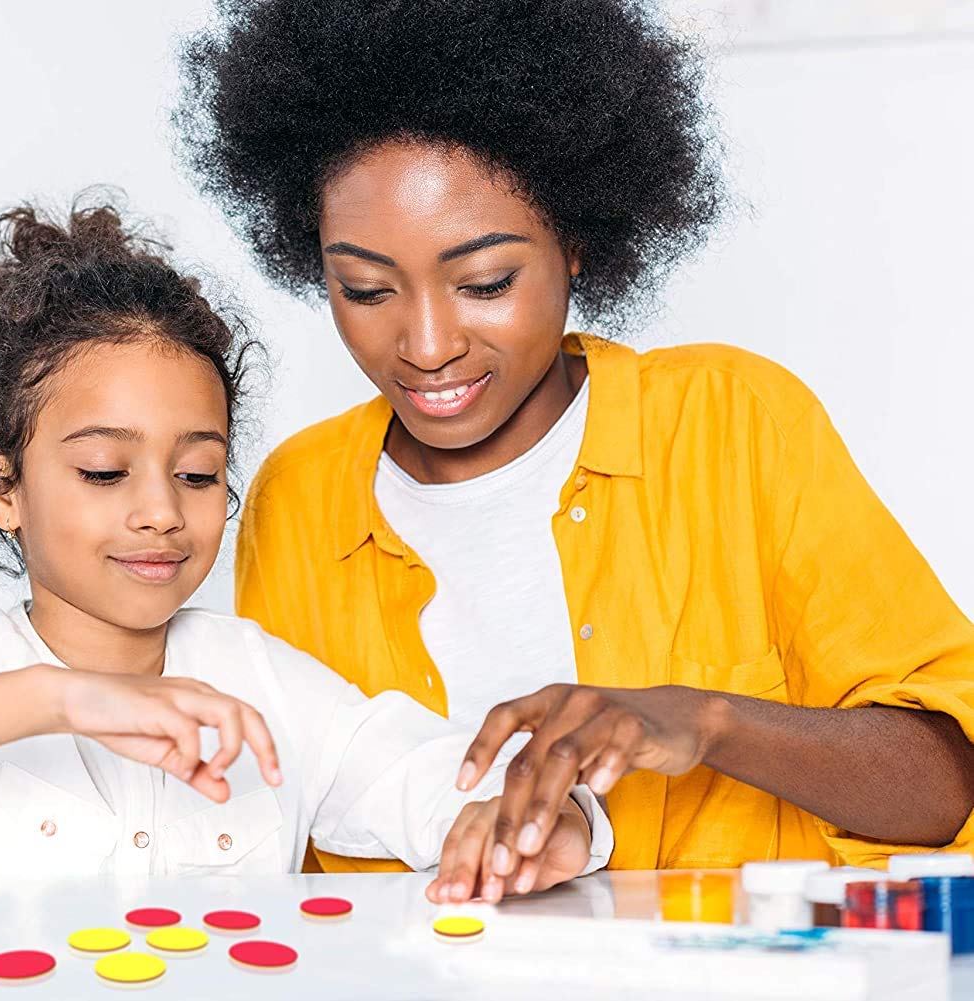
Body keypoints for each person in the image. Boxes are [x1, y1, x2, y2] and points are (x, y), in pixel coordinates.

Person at [175, 0, 974, 899]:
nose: (426, 343)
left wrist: (704, 721)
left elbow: (945, 785)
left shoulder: (732, 421)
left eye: (486, 281)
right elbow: (291, 827)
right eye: (365, 289)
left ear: (579, 239)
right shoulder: (300, 495)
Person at [0, 200, 611, 901]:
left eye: (197, 474)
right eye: (106, 471)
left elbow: (425, 776)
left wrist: (549, 818)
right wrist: (62, 698)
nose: (160, 511)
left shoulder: (259, 680)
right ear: (4, 485)